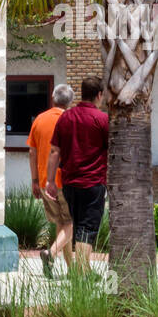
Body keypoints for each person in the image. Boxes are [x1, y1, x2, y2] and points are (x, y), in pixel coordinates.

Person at [45, 74, 109, 272]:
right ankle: (82, 273)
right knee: (87, 229)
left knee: (78, 224)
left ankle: (85, 270)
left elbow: (55, 151)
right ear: (99, 95)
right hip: (92, 183)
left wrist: (50, 181)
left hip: (69, 184)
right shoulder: (102, 119)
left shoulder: (66, 117)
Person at [28, 83, 75, 278]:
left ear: (53, 99)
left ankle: (72, 269)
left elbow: (32, 151)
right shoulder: (69, 120)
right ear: (70, 102)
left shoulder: (39, 119)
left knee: (61, 223)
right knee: (72, 222)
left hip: (44, 182)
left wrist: (35, 180)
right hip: (64, 181)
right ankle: (51, 254)